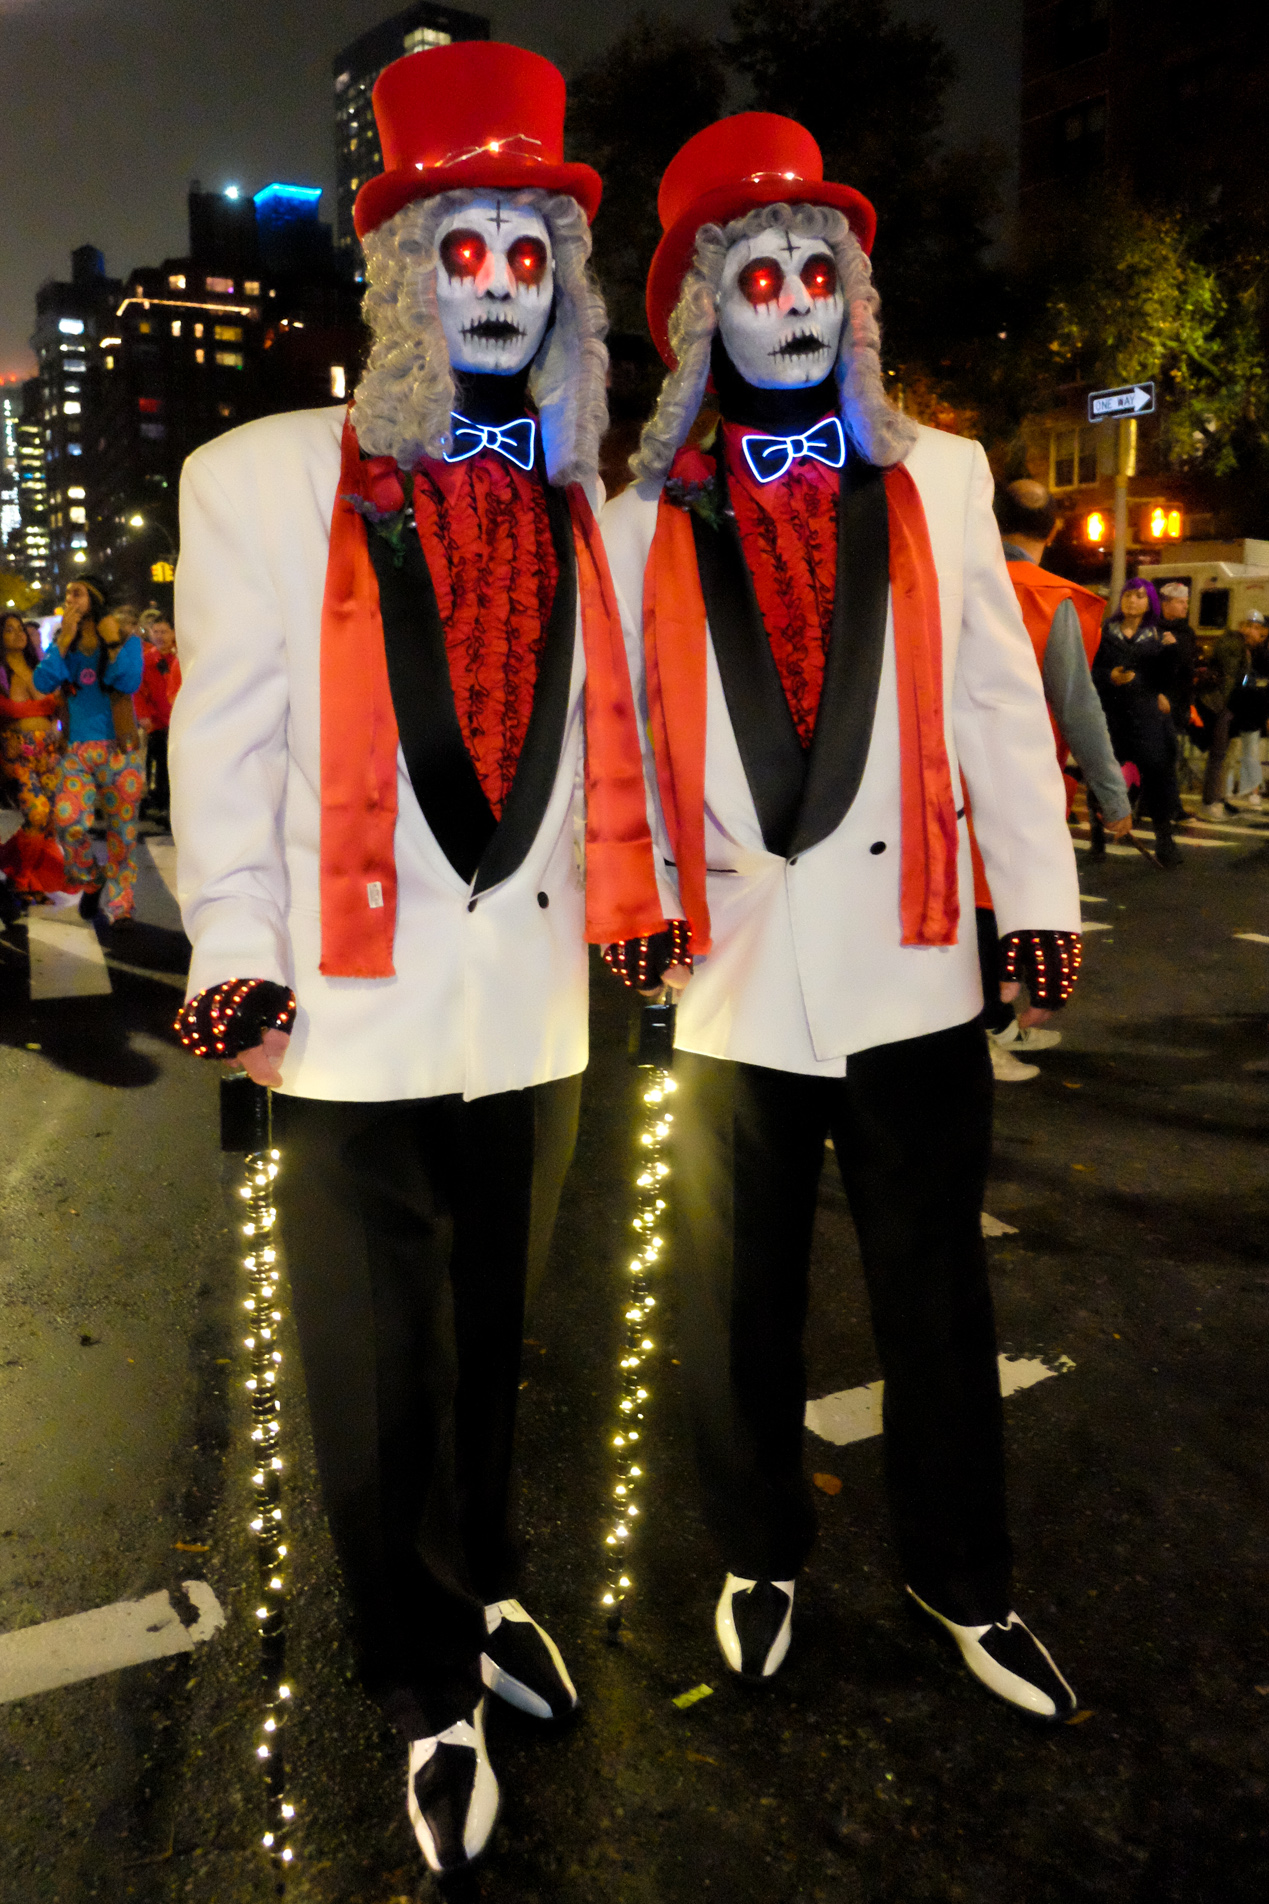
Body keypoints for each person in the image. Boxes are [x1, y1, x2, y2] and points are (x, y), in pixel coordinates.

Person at [170, 41, 665, 1875]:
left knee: (490, 1342)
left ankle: (485, 1590)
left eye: (527, 256)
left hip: (532, 1007)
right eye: (465, 250)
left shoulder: (584, 504)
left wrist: (646, 895)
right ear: (398, 272)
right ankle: (421, 1672)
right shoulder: (259, 479)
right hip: (352, 1011)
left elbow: (614, 741)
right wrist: (236, 939)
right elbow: (218, 752)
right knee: (372, 1367)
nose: (497, 287)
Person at [602, 113, 1083, 1724]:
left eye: (822, 272)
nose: (798, 301)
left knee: (934, 1293)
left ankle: (970, 1582)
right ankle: (756, 1552)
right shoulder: (639, 507)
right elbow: (616, 748)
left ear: (851, 298)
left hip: (913, 965)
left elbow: (999, 708)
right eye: (764, 277)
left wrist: (1039, 901)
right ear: (703, 311)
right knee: (733, 1298)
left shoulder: (938, 475)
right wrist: (628, 907)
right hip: (733, 974)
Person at [985, 480, 1135, 1075]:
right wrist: (1111, 793)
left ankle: (985, 1027)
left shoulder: (948, 581)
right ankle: (991, 1034)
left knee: (967, 907)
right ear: (1054, 530)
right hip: (1021, 782)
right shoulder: (1051, 599)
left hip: (944, 779)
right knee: (1021, 907)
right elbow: (1077, 704)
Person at [32, 576, 145, 924]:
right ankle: (92, 879)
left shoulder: (126, 639)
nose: (69, 598)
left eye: (76, 592)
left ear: (95, 598)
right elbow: (41, 683)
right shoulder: (63, 644)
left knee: (122, 834)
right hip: (77, 750)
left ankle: (120, 905)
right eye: (67, 592)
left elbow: (127, 682)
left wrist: (111, 643)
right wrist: (63, 642)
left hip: (120, 749)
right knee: (69, 823)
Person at [1092, 579, 1183, 862]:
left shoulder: (1158, 636)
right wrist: (1110, 677)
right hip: (1112, 715)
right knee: (1103, 773)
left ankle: (1164, 840)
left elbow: (1169, 679)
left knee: (1157, 775)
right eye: (1128, 595)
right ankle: (1097, 839)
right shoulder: (1104, 632)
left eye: (1140, 596)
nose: (1132, 601)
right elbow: (1090, 670)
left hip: (1145, 716)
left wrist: (1171, 653)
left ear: (1150, 602)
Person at [0, 611, 66, 900]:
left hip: (50, 751)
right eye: (9, 630)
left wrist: (61, 729)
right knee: (37, 813)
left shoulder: (40, 667)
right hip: (19, 754)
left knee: (50, 817)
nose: (18, 634)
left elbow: (61, 701)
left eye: (20, 630)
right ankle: (22, 878)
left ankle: (35, 879)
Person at [134, 613, 181, 823]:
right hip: (158, 723)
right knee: (159, 764)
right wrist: (144, 716)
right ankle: (160, 802)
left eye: (164, 631)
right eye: (156, 632)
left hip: (179, 720)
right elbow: (138, 691)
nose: (160, 636)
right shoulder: (146, 661)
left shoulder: (181, 657)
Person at [1222, 610, 1268, 807]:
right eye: (1248, 626)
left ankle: (1251, 790)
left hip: (1252, 710)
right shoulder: (1233, 648)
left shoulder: (1261, 654)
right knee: (1229, 753)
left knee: (1250, 752)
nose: (1250, 631)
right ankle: (1225, 790)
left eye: (1255, 628)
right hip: (1231, 708)